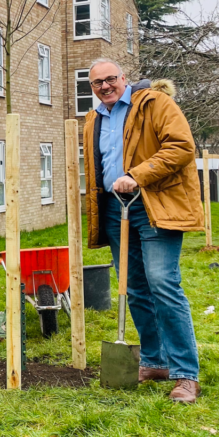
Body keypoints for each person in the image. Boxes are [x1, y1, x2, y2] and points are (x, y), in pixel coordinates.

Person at [83, 58, 204, 403]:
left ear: (124, 78)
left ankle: (185, 375)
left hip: (154, 205)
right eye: (96, 83)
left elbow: (181, 147)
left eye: (110, 80)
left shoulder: (155, 103)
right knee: (134, 287)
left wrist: (137, 175)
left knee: (163, 283)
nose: (104, 87)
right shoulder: (93, 118)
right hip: (114, 208)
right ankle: (155, 361)